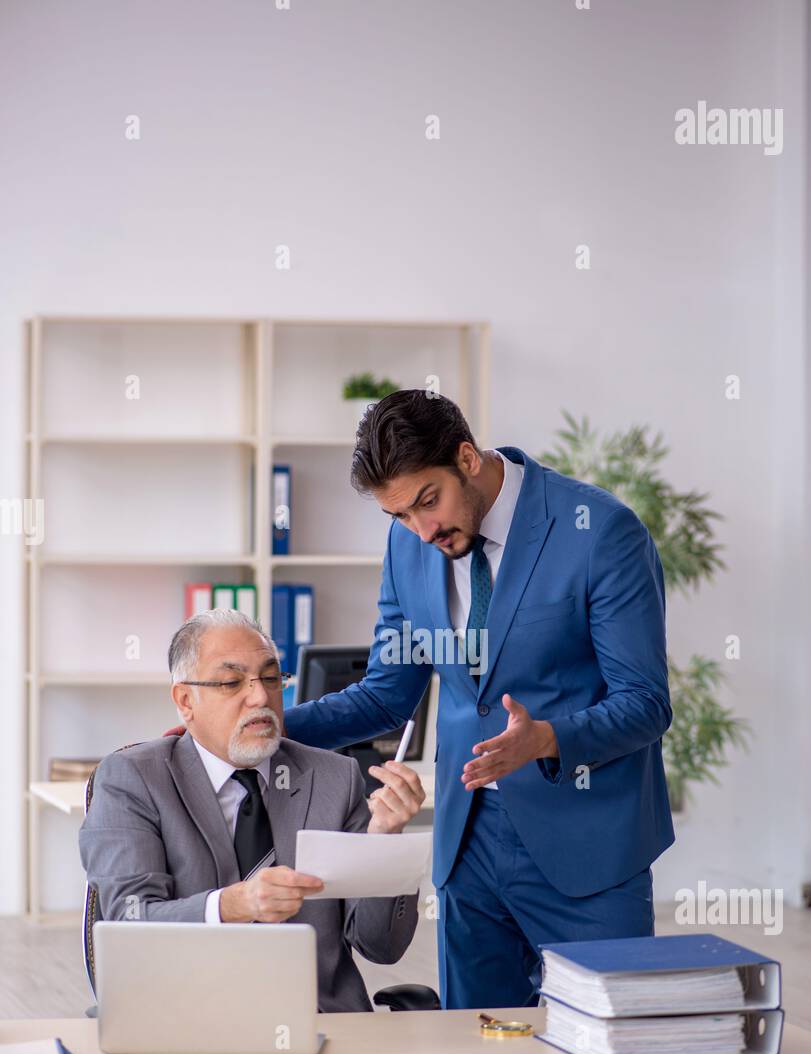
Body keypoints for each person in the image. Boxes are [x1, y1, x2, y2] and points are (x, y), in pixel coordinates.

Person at [283, 389, 675, 1012]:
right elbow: (387, 696)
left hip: (588, 843)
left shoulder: (598, 531)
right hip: (468, 847)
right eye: (400, 516)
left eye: (427, 502)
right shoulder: (411, 546)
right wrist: (256, 727)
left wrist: (546, 738)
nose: (422, 529)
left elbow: (646, 702)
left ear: (467, 457)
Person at [79, 608, 426, 1013]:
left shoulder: (335, 776)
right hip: (185, 1023)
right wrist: (234, 905)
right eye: (231, 682)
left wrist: (383, 846)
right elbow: (126, 924)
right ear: (185, 700)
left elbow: (380, 946)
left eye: (271, 677)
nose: (260, 697)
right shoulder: (134, 778)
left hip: (321, 1023)